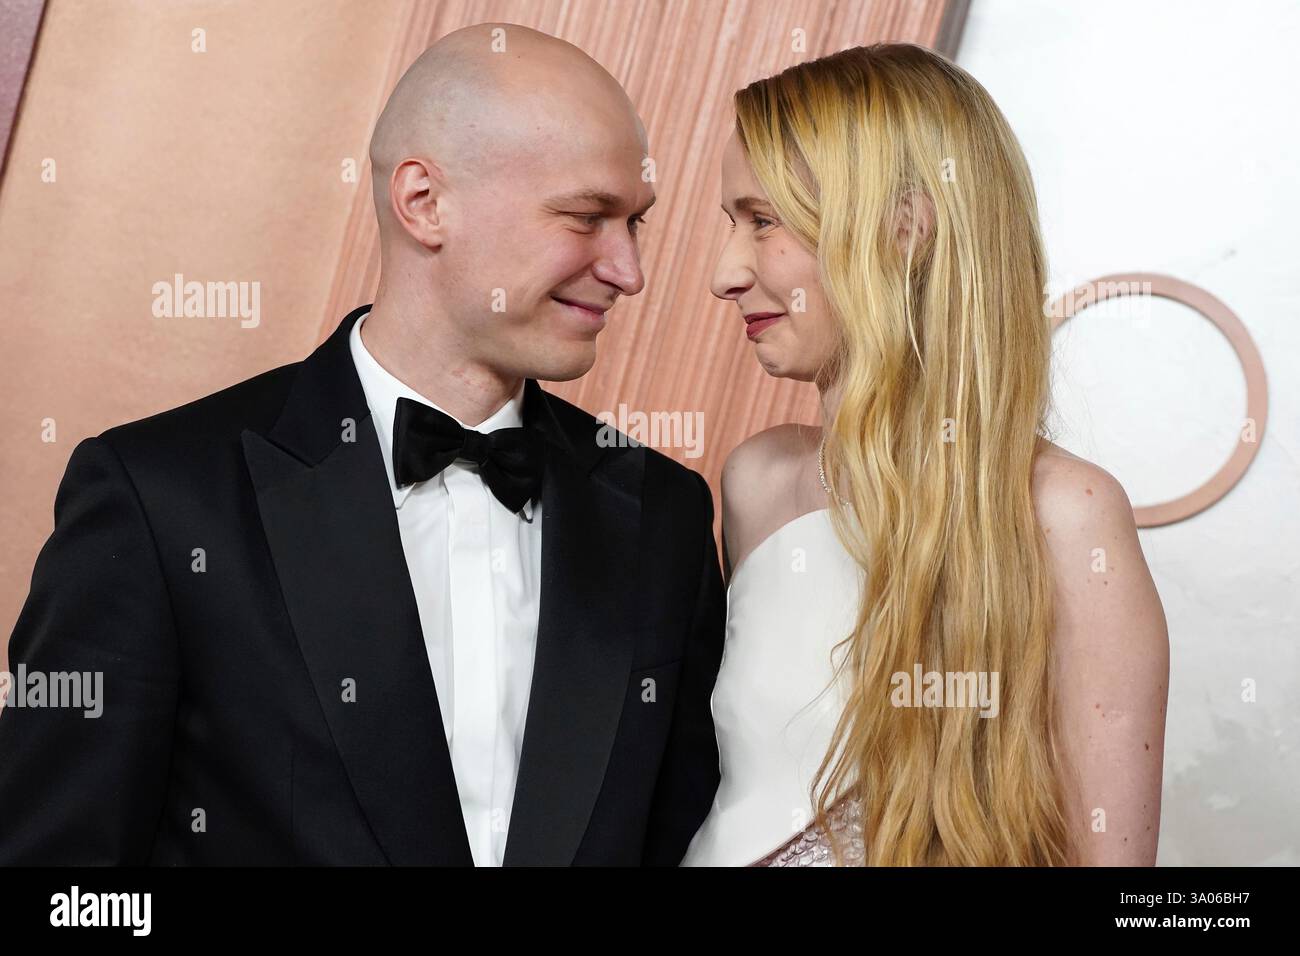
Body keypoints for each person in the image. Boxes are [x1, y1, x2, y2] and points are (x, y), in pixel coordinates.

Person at [0, 23, 724, 866]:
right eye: (587, 216)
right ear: (424, 202)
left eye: (635, 223)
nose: (629, 269)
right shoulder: (160, 498)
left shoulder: (664, 516)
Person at [682, 43, 1169, 866]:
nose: (725, 273)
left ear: (906, 224)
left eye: (762, 221)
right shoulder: (758, 481)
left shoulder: (1066, 514)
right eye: (733, 224)